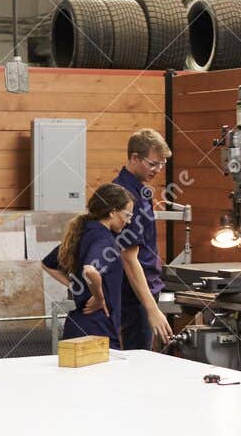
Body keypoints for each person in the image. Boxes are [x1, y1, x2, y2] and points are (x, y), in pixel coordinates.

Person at [41, 184, 134, 346]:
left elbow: (48, 264)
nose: (128, 220)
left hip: (76, 328)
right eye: (127, 214)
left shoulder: (82, 232)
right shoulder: (104, 240)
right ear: (112, 212)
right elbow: (90, 270)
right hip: (97, 332)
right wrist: (99, 298)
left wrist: (75, 286)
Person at [115, 129, 174, 350]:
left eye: (162, 164)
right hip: (134, 293)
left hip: (146, 287)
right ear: (134, 158)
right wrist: (152, 309)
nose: (158, 170)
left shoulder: (140, 191)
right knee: (137, 359)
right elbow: (128, 258)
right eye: (153, 164)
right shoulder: (125, 196)